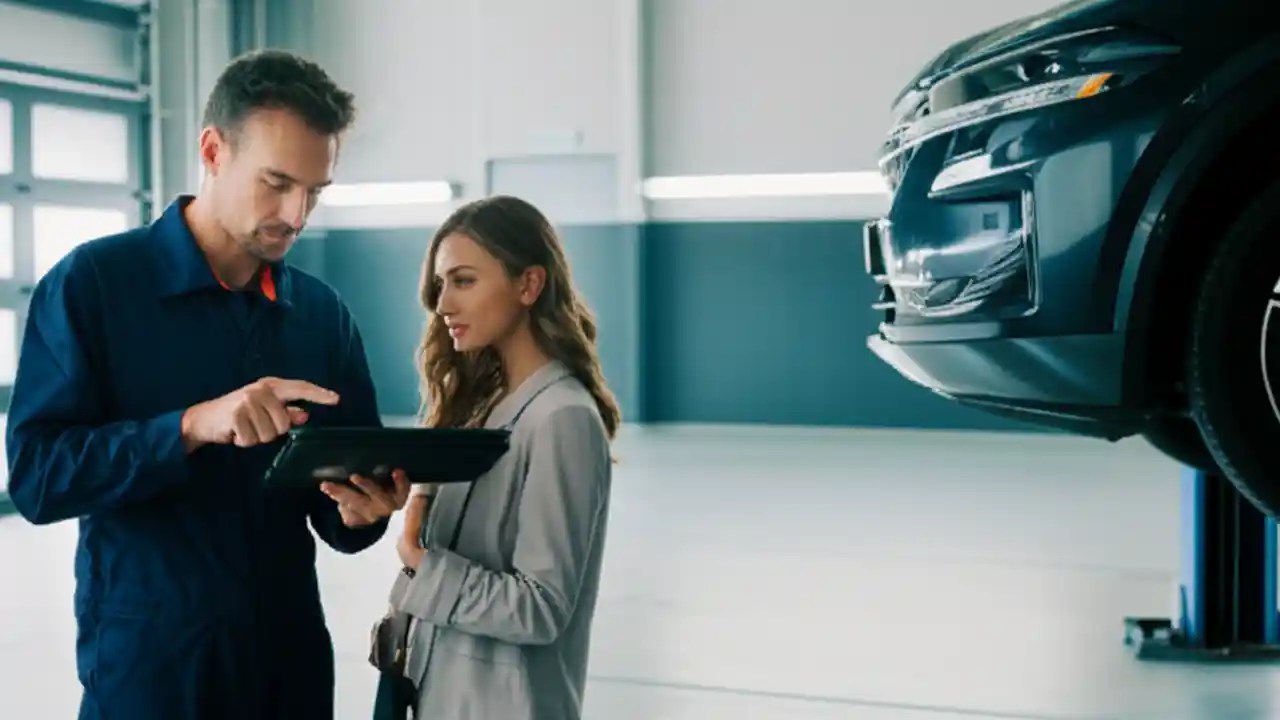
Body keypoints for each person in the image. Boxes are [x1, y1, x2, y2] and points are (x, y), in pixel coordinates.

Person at [4, 49, 408, 719]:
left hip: (290, 668)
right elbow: (39, 480)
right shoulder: (95, 287)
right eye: (276, 182)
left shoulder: (320, 315)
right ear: (214, 150)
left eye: (315, 190)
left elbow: (336, 511)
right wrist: (190, 427)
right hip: (155, 673)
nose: (297, 212)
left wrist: (361, 513)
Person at [345, 195, 619, 719]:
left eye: (464, 281)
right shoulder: (484, 409)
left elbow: (540, 608)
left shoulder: (562, 418)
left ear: (528, 285)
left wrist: (419, 560)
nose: (443, 303)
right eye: (441, 284)